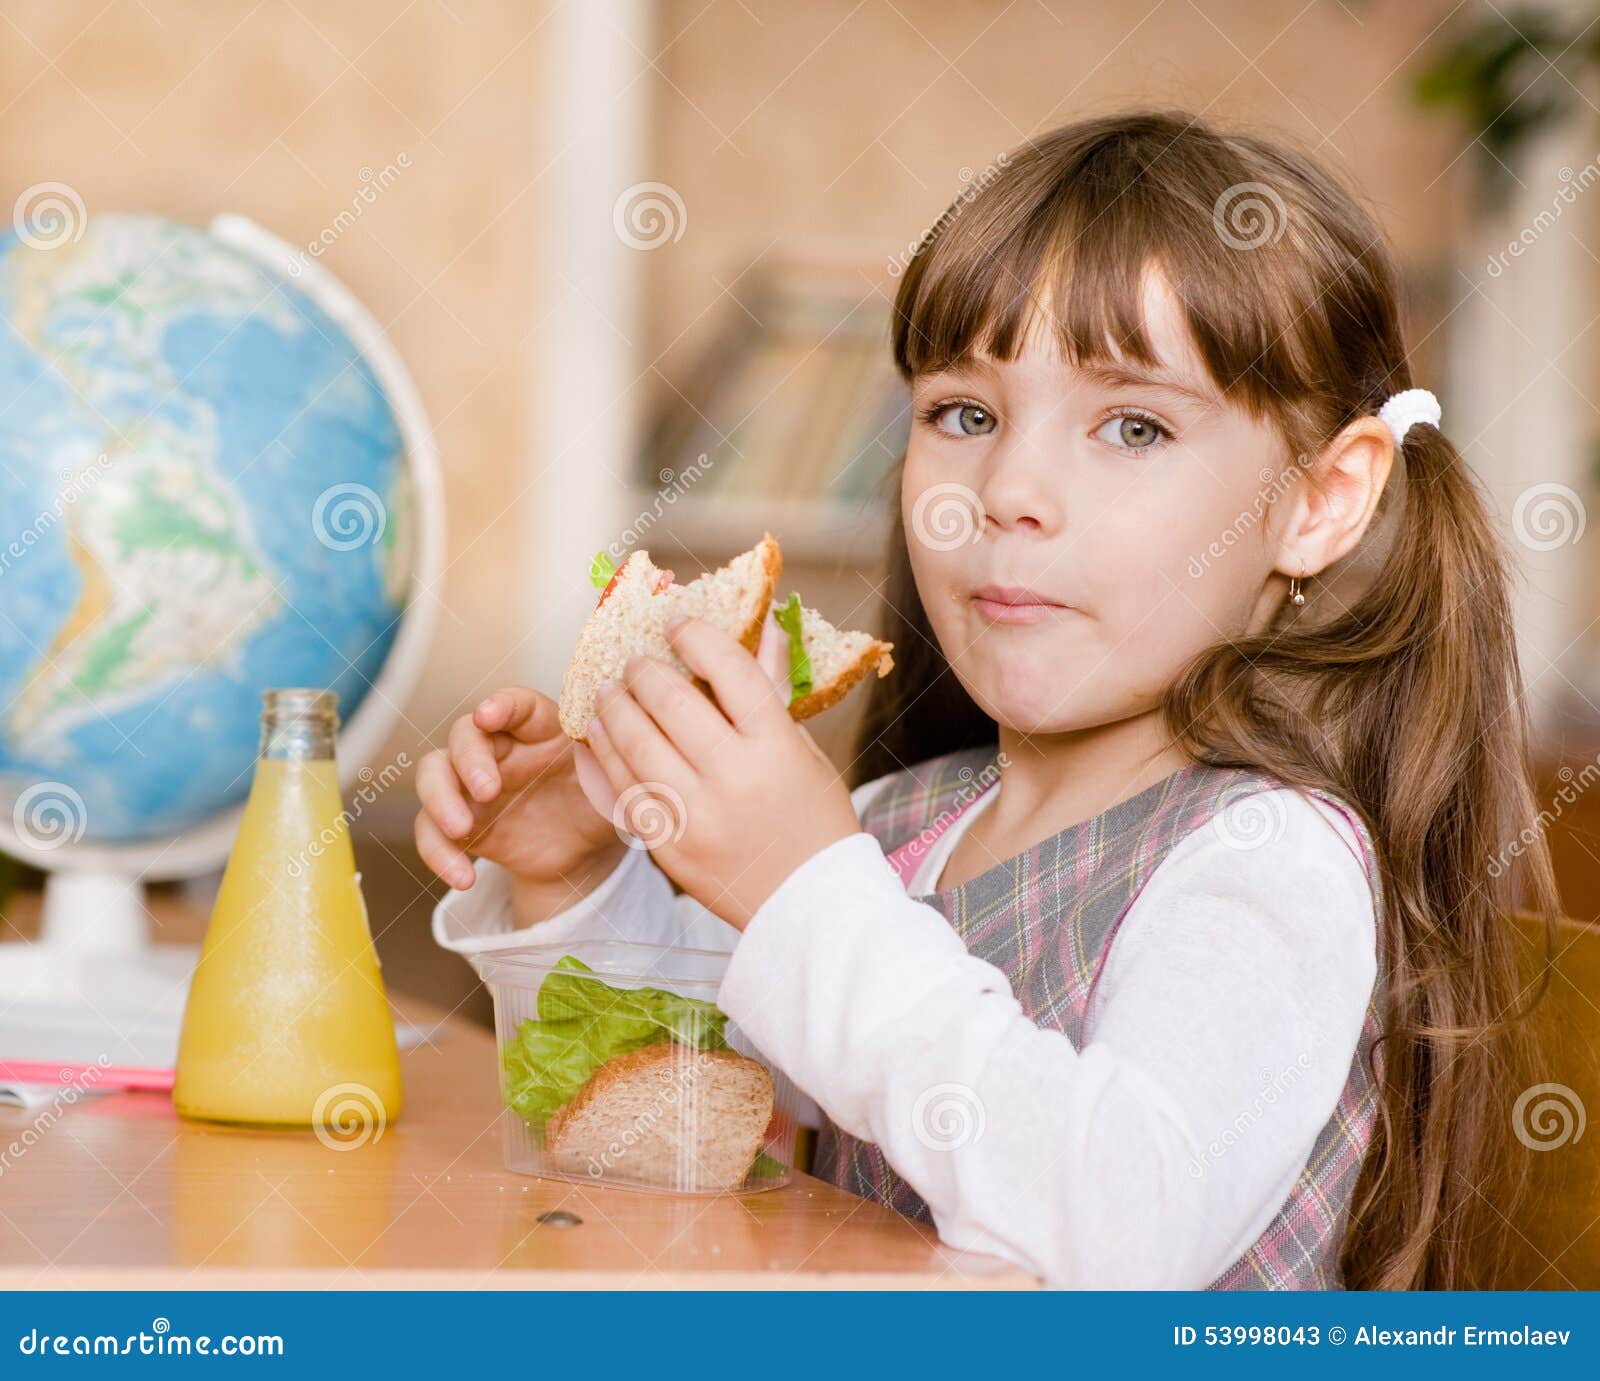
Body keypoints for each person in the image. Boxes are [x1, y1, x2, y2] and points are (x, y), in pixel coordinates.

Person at [416, 111, 1559, 1289]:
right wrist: (575, 872)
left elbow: (1120, 1230)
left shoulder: (1267, 863)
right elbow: (678, 1109)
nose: (1008, 488)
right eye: (963, 414)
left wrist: (804, 886)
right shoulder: (903, 823)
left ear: (1320, 501)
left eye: (1132, 427)